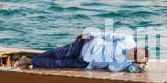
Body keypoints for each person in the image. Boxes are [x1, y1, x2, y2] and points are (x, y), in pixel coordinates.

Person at [16, 30, 149, 72]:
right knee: (57, 53)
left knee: (56, 64)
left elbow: (112, 68)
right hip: (86, 45)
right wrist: (88, 34)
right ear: (137, 48)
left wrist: (134, 64)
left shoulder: (124, 64)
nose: (133, 53)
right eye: (136, 51)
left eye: (135, 57)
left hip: (85, 62)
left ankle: (29, 61)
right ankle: (26, 60)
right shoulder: (128, 39)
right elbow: (106, 35)